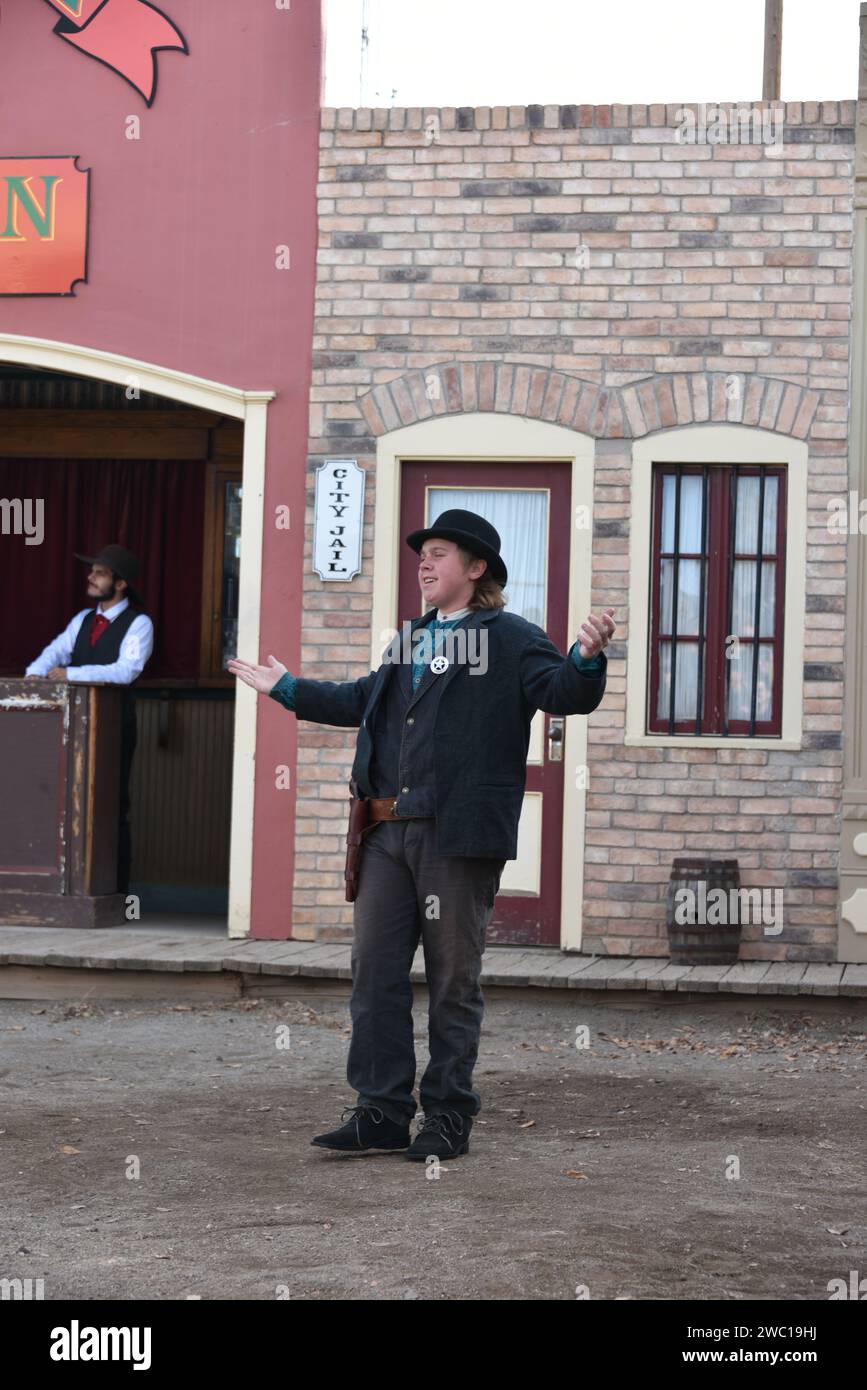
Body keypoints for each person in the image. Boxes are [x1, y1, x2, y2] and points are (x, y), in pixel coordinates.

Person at [228, 509, 615, 1162]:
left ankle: (447, 1115)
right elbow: (361, 701)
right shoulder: (409, 638)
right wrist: (287, 689)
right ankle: (379, 1111)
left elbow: (563, 694)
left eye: (438, 554)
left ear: (475, 567)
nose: (424, 565)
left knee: (451, 981)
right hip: (385, 833)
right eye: (420, 556)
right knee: (373, 975)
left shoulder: (511, 637)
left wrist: (584, 657)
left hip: (457, 840)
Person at [24, 544, 154, 895]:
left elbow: (126, 671)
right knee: (66, 803)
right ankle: (69, 892)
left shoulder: (139, 623)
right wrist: (34, 677)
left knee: (113, 807)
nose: (91, 578)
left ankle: (117, 896)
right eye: (92, 571)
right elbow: (51, 654)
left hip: (113, 727)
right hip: (73, 728)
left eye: (100, 573)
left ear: (120, 583)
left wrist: (71, 674)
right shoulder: (81, 620)